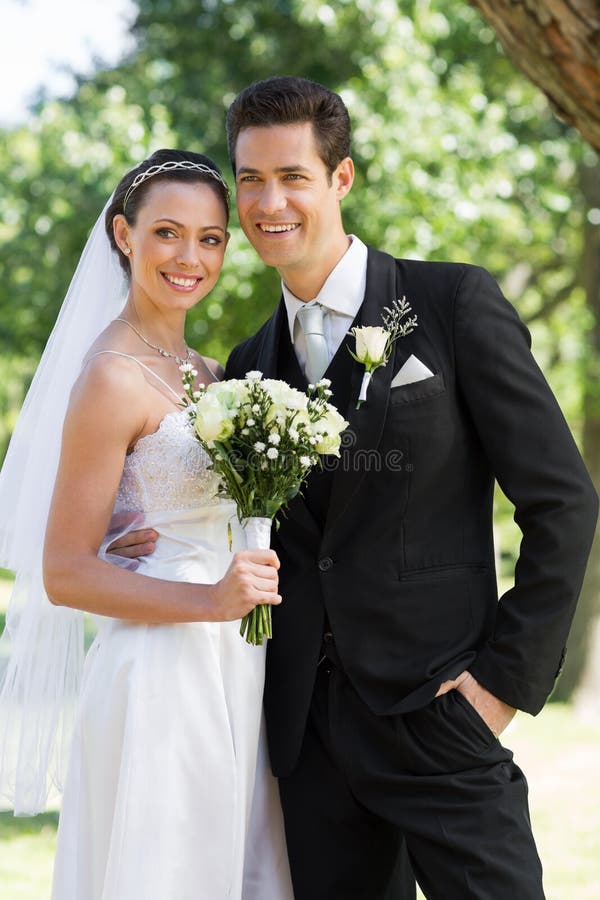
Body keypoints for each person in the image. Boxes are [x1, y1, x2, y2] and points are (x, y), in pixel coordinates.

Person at [109, 78, 598, 899]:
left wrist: (501, 687)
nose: (269, 203)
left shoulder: (451, 303)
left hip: (443, 715)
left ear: (340, 179)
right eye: (251, 179)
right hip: (307, 742)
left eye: (292, 176)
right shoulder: (246, 366)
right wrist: (138, 535)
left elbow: (564, 502)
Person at [0, 149, 293, 900]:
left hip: (232, 662)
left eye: (210, 238)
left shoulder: (212, 375)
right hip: (160, 672)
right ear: (125, 235)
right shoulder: (111, 376)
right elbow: (65, 573)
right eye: (167, 232)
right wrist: (212, 600)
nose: (190, 257)